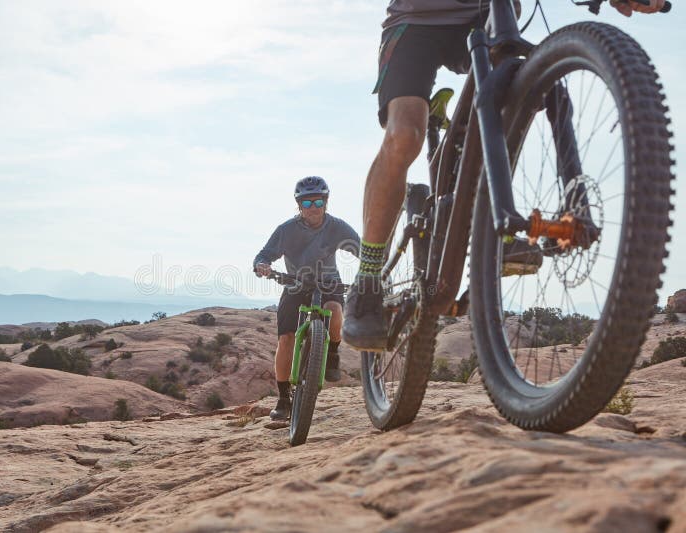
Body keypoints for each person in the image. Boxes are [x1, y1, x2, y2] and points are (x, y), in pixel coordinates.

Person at [342, 0, 668, 350]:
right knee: (405, 136)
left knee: (514, 84)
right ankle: (368, 280)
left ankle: (491, 216)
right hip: (416, 21)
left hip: (488, 12)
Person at [254, 176, 360, 420]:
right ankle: (283, 399)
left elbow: (361, 250)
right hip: (295, 285)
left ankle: (332, 352)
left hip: (329, 283)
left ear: (326, 202)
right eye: (307, 203)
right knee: (287, 339)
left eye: (318, 202)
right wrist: (262, 265)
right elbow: (265, 254)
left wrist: (371, 271)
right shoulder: (286, 230)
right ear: (298, 205)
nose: (313, 208)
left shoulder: (337, 227)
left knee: (334, 310)